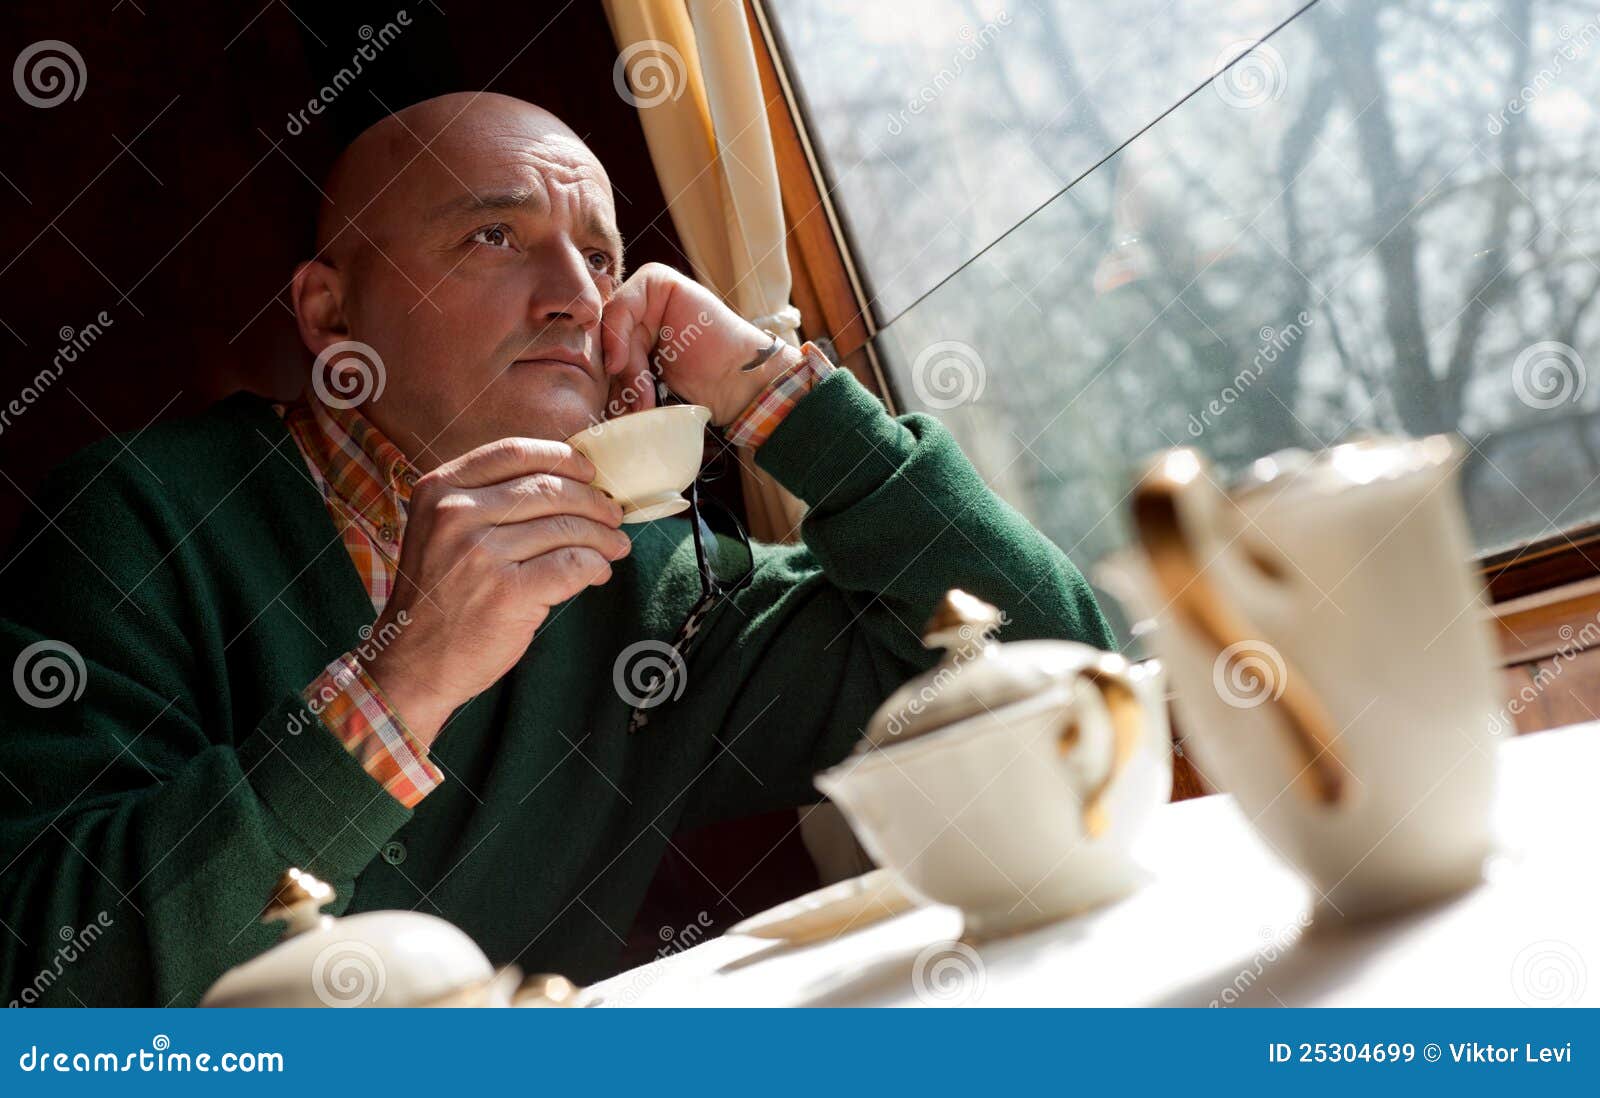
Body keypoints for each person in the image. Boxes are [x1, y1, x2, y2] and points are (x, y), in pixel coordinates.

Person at [0, 93, 1112, 1006]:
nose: (574, 299)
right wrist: (402, 682)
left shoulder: (657, 581)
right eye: (494, 237)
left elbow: (1061, 681)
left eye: (598, 255)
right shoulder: (135, 518)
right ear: (330, 313)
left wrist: (774, 396)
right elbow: (38, 990)